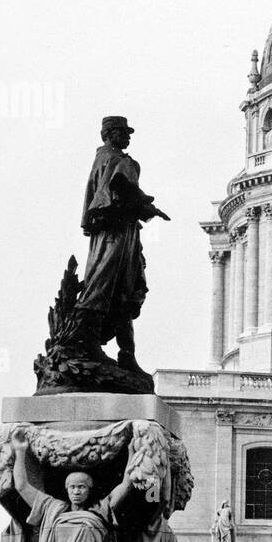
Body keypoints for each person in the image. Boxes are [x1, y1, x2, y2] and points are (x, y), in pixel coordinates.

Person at [73, 116, 169, 377]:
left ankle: (127, 355)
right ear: (110, 133)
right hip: (113, 233)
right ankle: (88, 344)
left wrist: (144, 206)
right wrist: (148, 206)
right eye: (123, 133)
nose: (128, 137)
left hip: (123, 231)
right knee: (103, 283)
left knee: (126, 290)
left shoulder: (113, 159)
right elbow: (117, 192)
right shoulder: (113, 159)